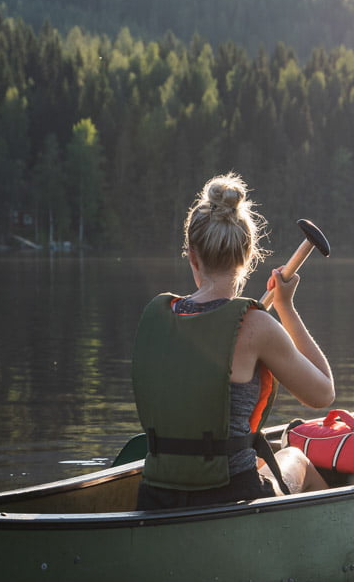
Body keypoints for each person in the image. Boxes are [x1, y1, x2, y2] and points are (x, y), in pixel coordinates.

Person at [132, 173, 335, 510]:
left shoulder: (157, 315)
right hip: (229, 494)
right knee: (297, 458)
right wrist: (285, 306)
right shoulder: (256, 326)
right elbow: (323, 393)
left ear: (192, 256)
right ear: (249, 254)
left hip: (155, 494)